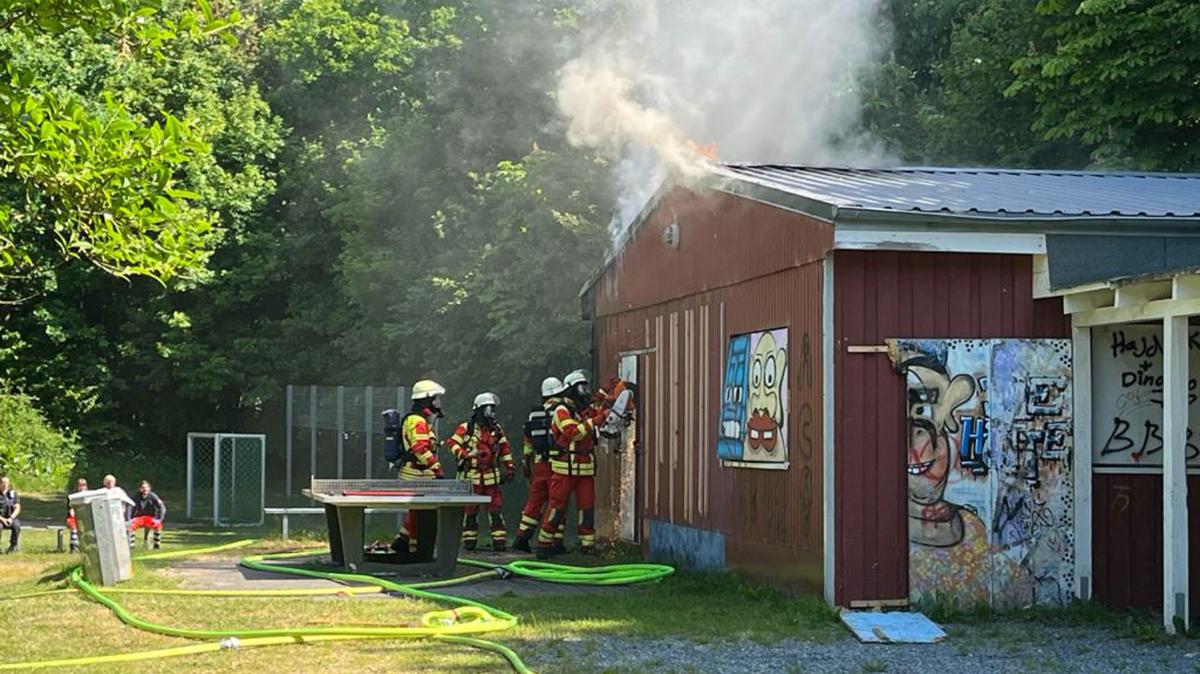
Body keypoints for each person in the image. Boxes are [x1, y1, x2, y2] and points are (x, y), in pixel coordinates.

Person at [536, 370, 610, 559]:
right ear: (571, 389)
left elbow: (603, 421)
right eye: (581, 387)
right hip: (564, 470)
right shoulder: (562, 410)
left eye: (585, 386)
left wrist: (609, 402)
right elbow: (572, 432)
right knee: (557, 508)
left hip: (585, 469)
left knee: (587, 508)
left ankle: (587, 546)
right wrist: (595, 420)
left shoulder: (587, 410)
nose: (585, 391)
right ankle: (544, 545)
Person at [447, 392, 514, 552]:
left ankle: (499, 541)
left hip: (491, 477)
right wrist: (464, 454)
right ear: (478, 410)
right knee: (470, 510)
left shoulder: (496, 430)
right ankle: (469, 542)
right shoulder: (466, 428)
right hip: (471, 477)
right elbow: (452, 443)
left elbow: (505, 449)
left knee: (495, 510)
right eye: (487, 408)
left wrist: (510, 467)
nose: (490, 412)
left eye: (492, 408)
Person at [391, 379, 447, 554]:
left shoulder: (420, 420)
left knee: (418, 513)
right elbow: (420, 448)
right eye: (435, 398)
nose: (438, 402)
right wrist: (436, 468)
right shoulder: (417, 421)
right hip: (416, 475)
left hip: (420, 474)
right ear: (427, 399)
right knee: (421, 514)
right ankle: (416, 552)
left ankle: (404, 542)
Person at [514, 377, 567, 553]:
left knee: (535, 500)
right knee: (557, 502)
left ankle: (522, 537)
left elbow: (528, 440)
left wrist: (526, 461)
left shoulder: (535, 414)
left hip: (538, 464)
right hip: (557, 463)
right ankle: (553, 541)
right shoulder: (563, 411)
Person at [129, 480, 166, 549]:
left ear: (149, 488)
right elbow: (130, 507)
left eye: (146, 487)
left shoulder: (153, 496)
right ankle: (131, 546)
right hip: (139, 518)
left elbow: (162, 507)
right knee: (130, 526)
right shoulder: (136, 497)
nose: (145, 489)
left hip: (151, 518)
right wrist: (129, 519)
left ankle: (156, 546)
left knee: (158, 525)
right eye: (143, 488)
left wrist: (160, 519)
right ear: (140, 489)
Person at [66, 477, 88, 553]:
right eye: (80, 485)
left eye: (84, 485)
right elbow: (71, 509)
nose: (82, 487)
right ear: (77, 486)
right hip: (75, 517)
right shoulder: (73, 496)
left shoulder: (88, 495)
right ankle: (74, 547)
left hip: (85, 517)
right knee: (74, 525)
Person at [0, 476, 21, 554]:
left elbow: (17, 507)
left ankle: (13, 546)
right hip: (0, 519)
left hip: (10, 518)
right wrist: (3, 519)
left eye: (6, 483)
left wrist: (11, 518)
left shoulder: (12, 494)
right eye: (3, 483)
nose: (5, 485)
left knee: (16, 526)